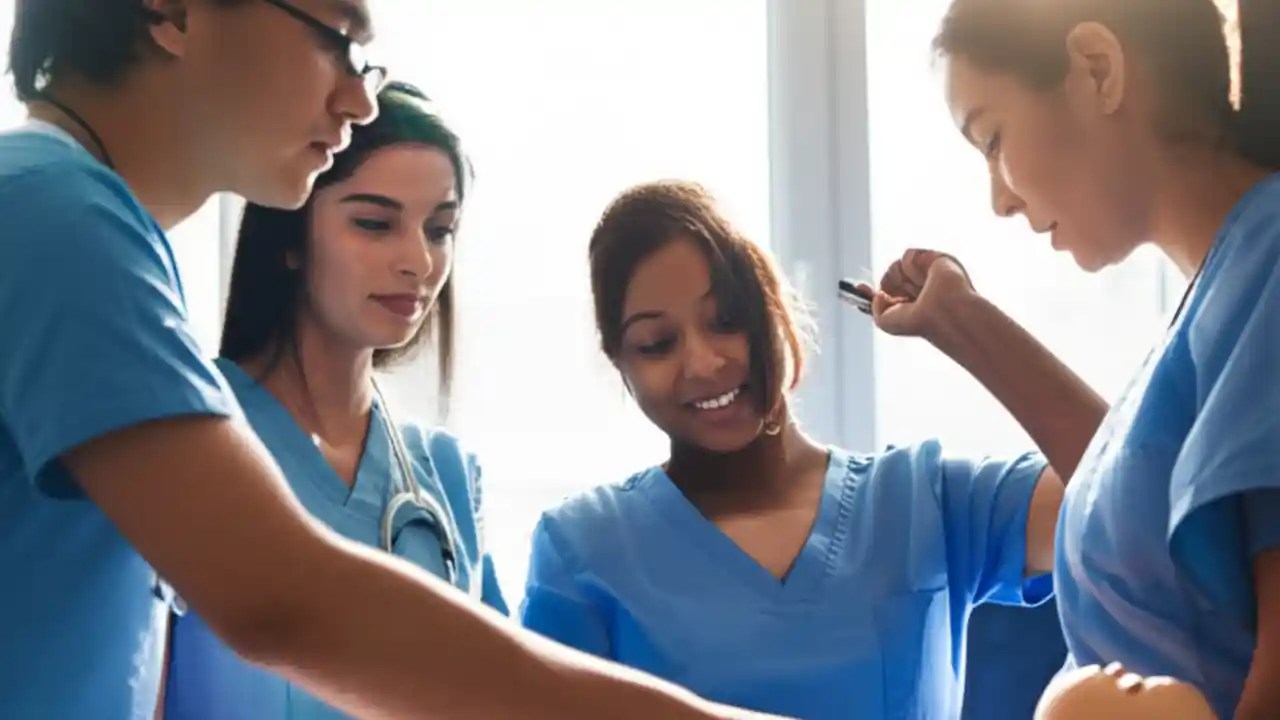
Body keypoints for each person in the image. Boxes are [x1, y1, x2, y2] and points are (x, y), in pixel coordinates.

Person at [0, 2, 785, 718]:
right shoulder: (58, 216)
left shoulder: (64, 208)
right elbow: (282, 601)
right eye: (338, 39)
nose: (359, 99)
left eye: (438, 229)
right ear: (171, 10)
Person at [519, 180, 1101, 719]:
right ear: (622, 364)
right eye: (657, 343)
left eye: (726, 320)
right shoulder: (581, 551)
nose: (703, 362)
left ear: (773, 309)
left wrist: (964, 320)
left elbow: (1132, 491)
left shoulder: (927, 502)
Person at [872, 0, 1280, 716]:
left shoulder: (1267, 264)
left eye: (993, 139)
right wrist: (962, 322)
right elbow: (1134, 491)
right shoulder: (1218, 296)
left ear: (1097, 69)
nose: (999, 199)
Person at [164, 80, 508, 719]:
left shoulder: (448, 478)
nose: (419, 261)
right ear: (290, 237)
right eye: (375, 224)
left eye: (440, 229)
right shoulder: (178, 439)